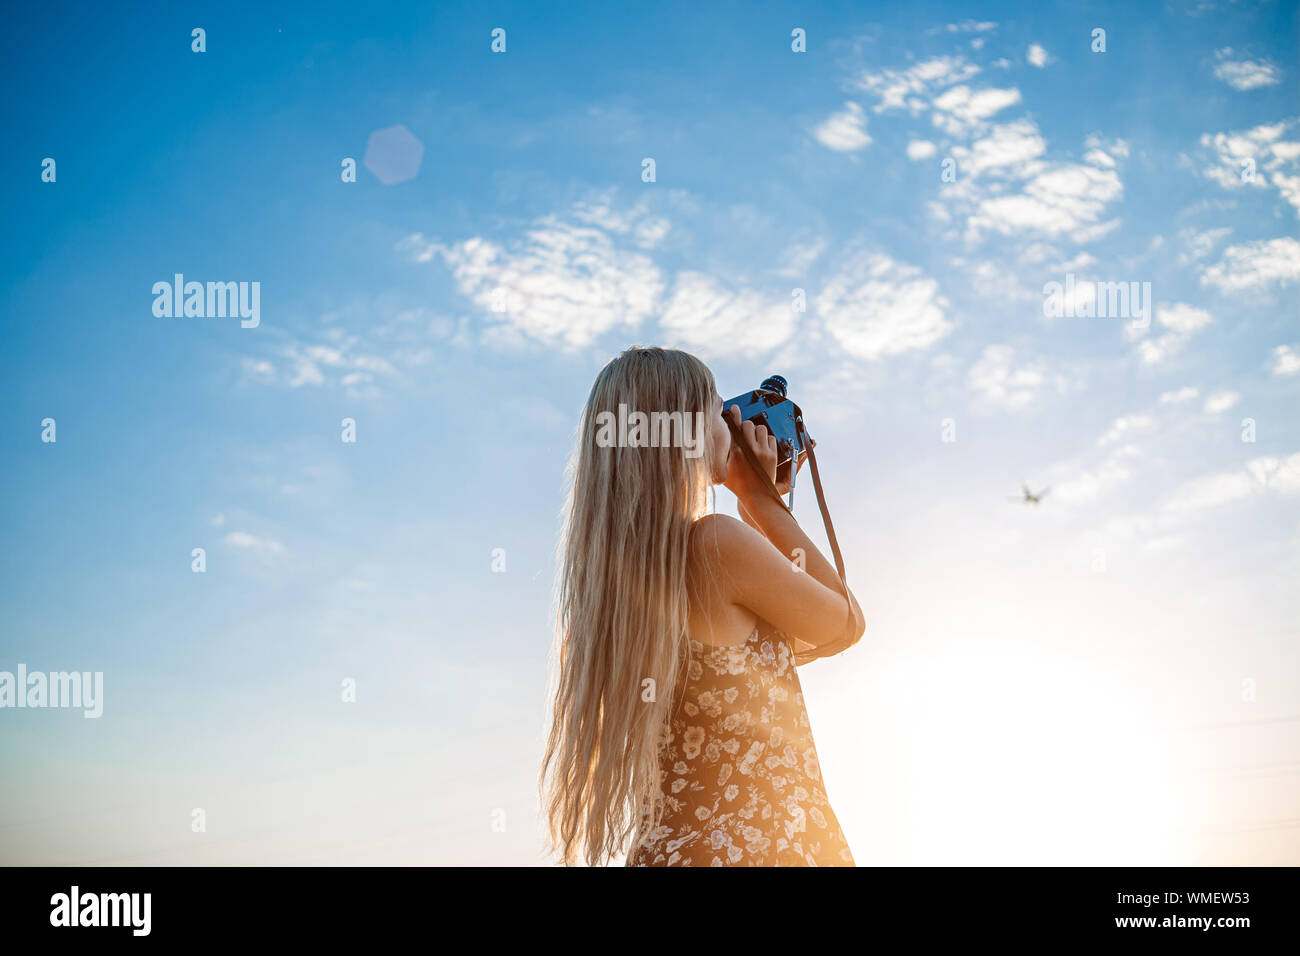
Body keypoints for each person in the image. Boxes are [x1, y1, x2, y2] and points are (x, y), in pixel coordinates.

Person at [540, 345, 866, 866]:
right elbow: (843, 623)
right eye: (718, 408)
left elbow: (791, 637)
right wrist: (762, 502)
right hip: (759, 849)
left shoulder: (624, 589)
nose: (733, 419)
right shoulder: (716, 545)